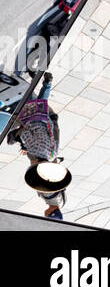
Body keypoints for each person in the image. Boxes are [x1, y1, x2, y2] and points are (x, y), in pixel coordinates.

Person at [9, 72, 69, 219]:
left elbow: (56, 138)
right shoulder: (48, 193)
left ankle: (46, 83)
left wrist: (54, 121)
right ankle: (17, 80)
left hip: (46, 124)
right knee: (28, 98)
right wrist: (20, 141)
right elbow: (24, 134)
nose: (44, 215)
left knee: (40, 102)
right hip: (34, 122)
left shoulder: (52, 155)